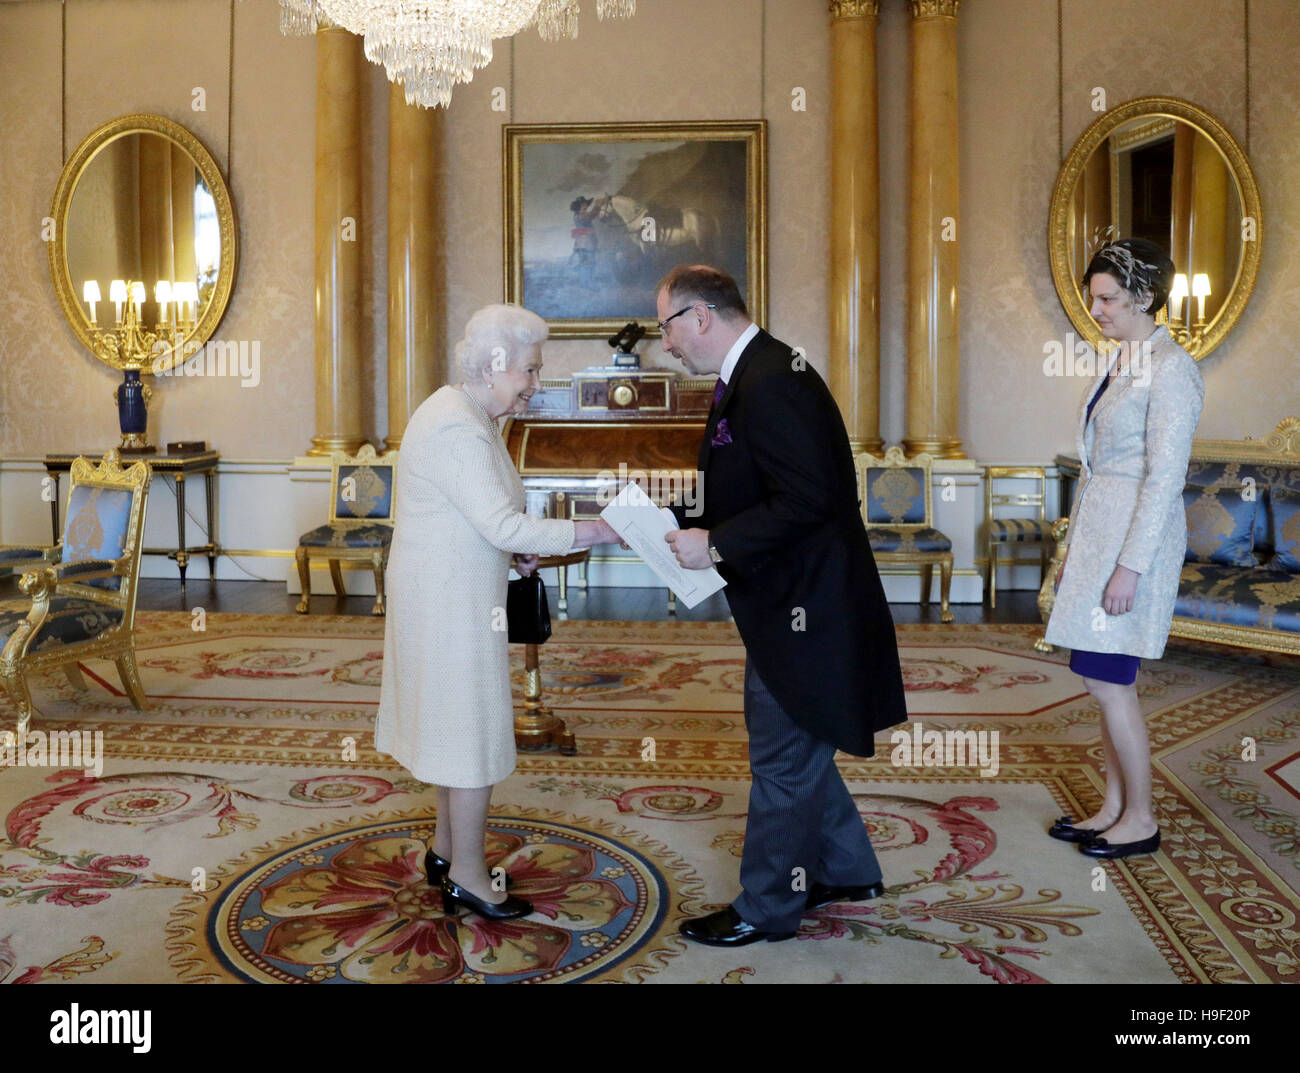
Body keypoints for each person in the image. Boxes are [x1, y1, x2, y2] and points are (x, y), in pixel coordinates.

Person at [657, 264, 909, 946]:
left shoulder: (771, 382)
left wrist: (716, 544)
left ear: (699, 316)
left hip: (809, 608)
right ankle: (849, 868)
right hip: (790, 599)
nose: (666, 345)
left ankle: (766, 906)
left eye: (666, 328)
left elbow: (813, 499)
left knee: (779, 756)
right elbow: (749, 486)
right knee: (800, 743)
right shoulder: (754, 374)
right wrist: (671, 518)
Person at [374, 304, 619, 920]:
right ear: (497, 363)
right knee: (474, 731)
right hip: (447, 602)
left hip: (450, 588)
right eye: (531, 371)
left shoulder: (468, 414)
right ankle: (468, 875)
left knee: (455, 724)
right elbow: (499, 519)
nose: (536, 384)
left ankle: (446, 849)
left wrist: (511, 555)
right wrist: (598, 530)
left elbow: (471, 519)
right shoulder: (458, 425)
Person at [1044, 238, 1204, 860]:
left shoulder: (1173, 370)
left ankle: (1141, 817)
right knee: (1096, 675)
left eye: (1109, 298)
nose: (1098, 310)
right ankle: (1112, 806)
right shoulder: (1119, 362)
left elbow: (1165, 478)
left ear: (1144, 295)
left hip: (1135, 544)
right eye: (1094, 298)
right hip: (1099, 533)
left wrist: (1129, 567)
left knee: (1113, 681)